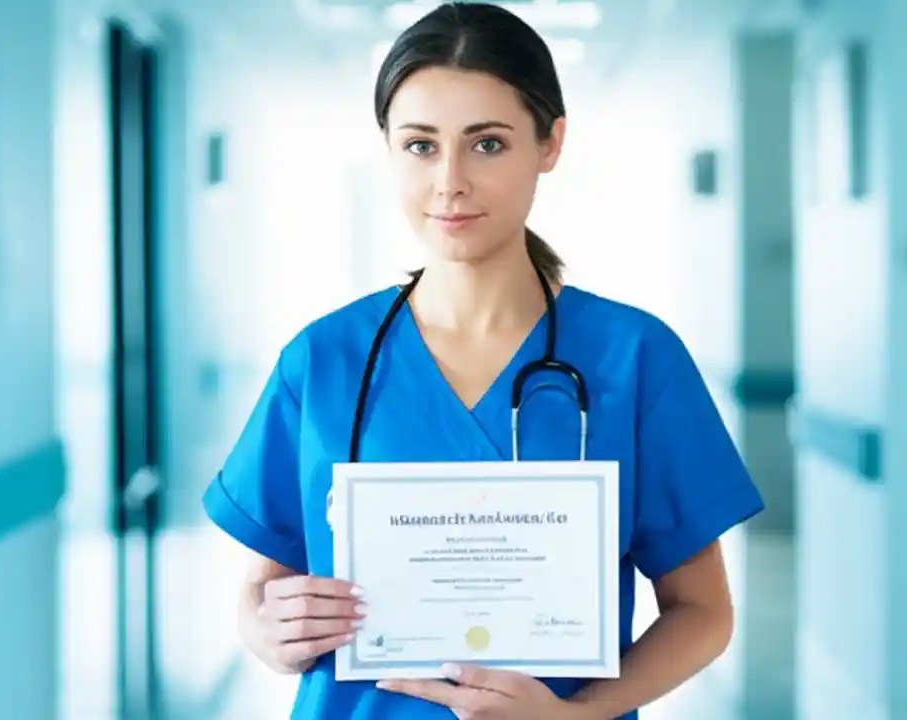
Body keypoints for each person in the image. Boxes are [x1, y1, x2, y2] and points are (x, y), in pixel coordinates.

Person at [200, 2, 766, 718]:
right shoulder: (324, 360)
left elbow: (702, 611)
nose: (450, 181)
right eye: (420, 145)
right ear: (389, 150)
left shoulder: (634, 357)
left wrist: (576, 716)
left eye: (488, 144)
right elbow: (260, 593)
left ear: (550, 143)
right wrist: (269, 631)